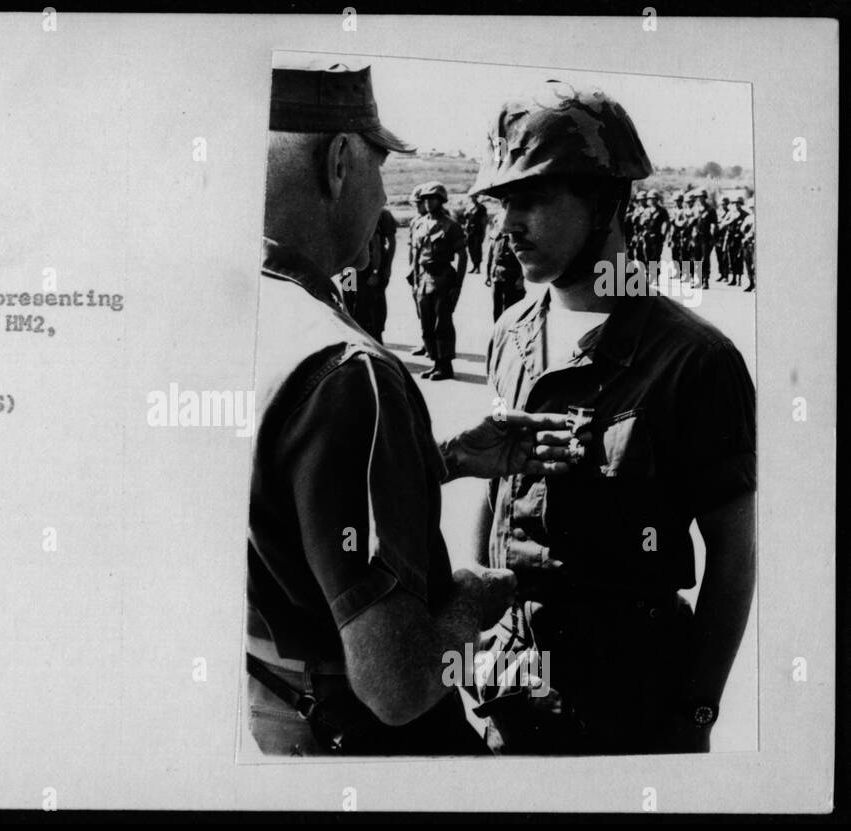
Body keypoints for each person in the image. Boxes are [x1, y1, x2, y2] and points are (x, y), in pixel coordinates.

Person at [248, 63, 579, 757]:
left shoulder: (240, 308)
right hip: (356, 740)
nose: (382, 191)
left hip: (272, 707)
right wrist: (479, 594)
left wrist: (446, 458)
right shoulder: (351, 373)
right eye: (378, 164)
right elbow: (397, 685)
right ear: (341, 161)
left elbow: (288, 498)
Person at [466, 79, 757, 755]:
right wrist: (480, 637)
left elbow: (733, 553)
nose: (509, 226)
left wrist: (695, 713)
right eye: (502, 204)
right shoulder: (511, 332)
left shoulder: (695, 359)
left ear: (604, 201)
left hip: (630, 708)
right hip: (511, 694)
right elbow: (495, 492)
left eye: (531, 200)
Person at [407, 181, 467, 380]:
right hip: (423, 279)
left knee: (442, 324)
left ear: (441, 201)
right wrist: (415, 281)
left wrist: (457, 285)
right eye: (425, 199)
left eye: (432, 199)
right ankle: (435, 362)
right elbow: (416, 255)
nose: (428, 203)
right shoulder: (421, 224)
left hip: (443, 278)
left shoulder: (451, 226)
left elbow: (462, 256)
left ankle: (445, 365)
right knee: (426, 323)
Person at [342, 207, 397, 344]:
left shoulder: (379, 213)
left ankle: (375, 340)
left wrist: (377, 271)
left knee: (371, 304)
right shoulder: (346, 211)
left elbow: (380, 245)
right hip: (349, 270)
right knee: (349, 303)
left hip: (368, 268)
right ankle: (357, 338)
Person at [484, 208, 525, 324]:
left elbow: (522, 260)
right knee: (496, 306)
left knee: (510, 306)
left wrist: (520, 278)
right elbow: (490, 259)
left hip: (511, 276)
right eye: (496, 222)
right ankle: (497, 329)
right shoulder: (495, 240)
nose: (497, 225)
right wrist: (488, 276)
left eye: (499, 222)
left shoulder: (514, 240)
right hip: (497, 277)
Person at [463, 196, 488, 274]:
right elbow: (466, 218)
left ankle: (478, 267)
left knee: (477, 249)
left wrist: (484, 231)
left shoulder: (481, 207)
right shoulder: (469, 207)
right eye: (471, 197)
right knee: (471, 249)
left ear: (477, 197)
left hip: (478, 230)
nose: (472, 198)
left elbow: (484, 220)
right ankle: (474, 266)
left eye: (474, 197)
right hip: (470, 231)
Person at [740, 199, 755, 291]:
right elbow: (742, 228)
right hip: (747, 243)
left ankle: (756, 284)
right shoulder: (748, 218)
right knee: (748, 263)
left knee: (755, 264)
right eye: (751, 207)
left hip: (754, 243)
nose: (753, 209)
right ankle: (751, 283)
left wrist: (749, 234)